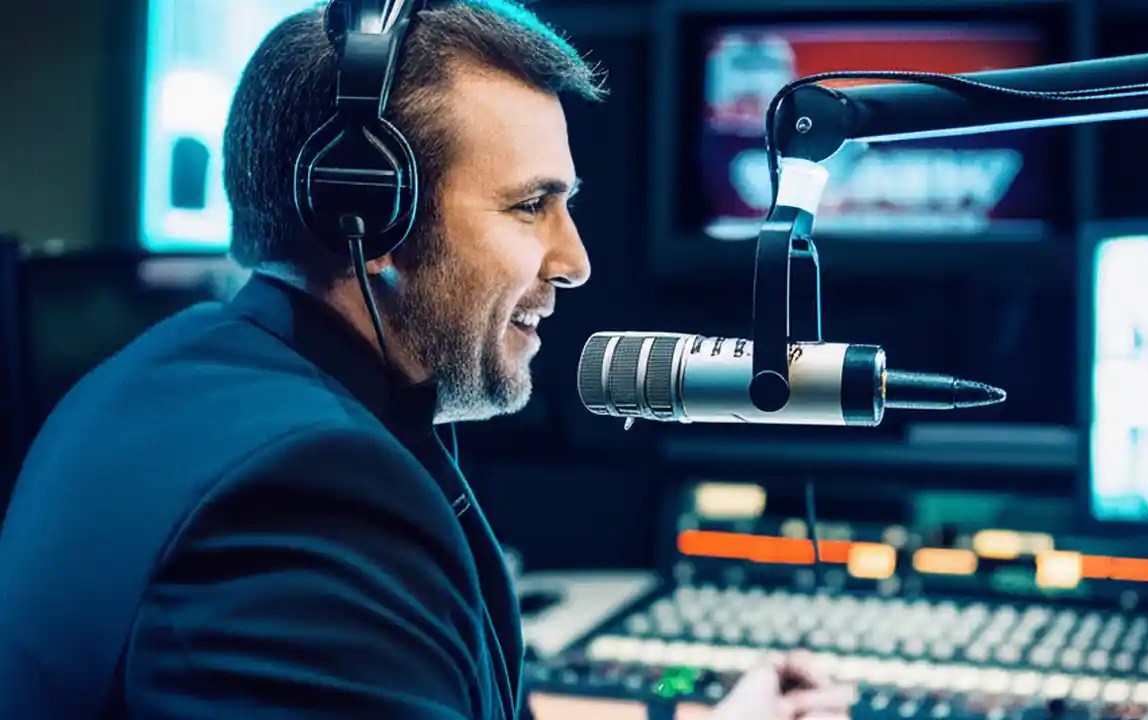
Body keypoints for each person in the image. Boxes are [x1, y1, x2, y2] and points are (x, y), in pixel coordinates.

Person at [0, 1, 852, 718]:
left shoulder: (167, 373)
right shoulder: (307, 494)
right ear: (367, 216)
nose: (575, 261)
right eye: (531, 206)